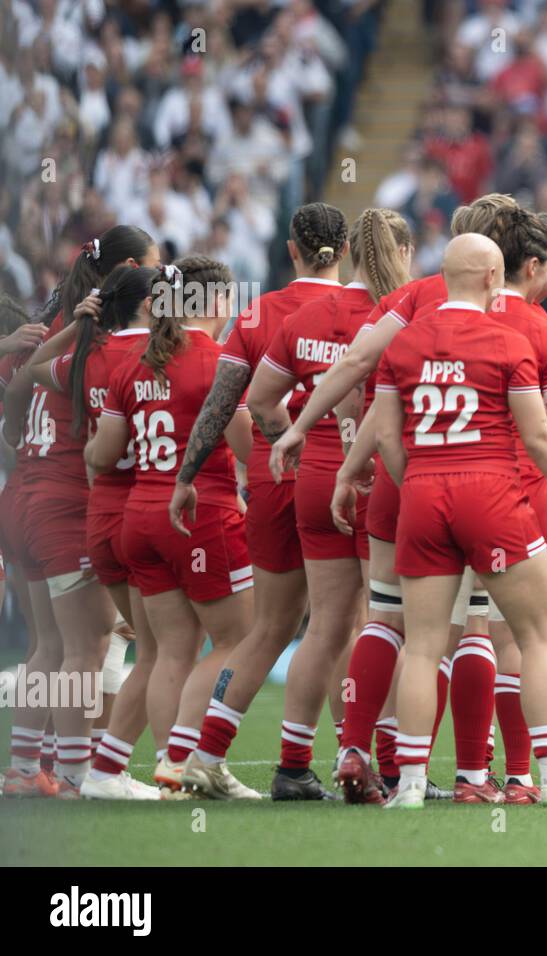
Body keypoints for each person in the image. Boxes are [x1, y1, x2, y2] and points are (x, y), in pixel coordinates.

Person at [371, 232, 547, 808]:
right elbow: (537, 436)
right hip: (490, 491)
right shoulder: (508, 340)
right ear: (491, 278)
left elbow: (386, 438)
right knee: (537, 635)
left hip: (423, 491)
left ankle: (407, 785)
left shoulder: (402, 345)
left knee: (425, 646)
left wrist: (419, 482)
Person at [184, 209, 416, 800]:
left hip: (300, 476)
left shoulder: (282, 313)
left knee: (306, 627)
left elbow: (248, 400)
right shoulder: (404, 312)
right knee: (380, 625)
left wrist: (290, 441)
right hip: (371, 478)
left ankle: (273, 763)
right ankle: (383, 767)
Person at [168, 202, 347, 799]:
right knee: (343, 628)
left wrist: (185, 476)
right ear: (343, 252)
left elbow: (221, 406)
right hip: (341, 477)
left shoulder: (257, 313)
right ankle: (345, 761)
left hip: (272, 480)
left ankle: (206, 755)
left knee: (270, 628)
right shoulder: (369, 312)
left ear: (290, 250)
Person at [86, 262, 255, 798]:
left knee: (167, 651)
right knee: (236, 638)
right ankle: (185, 758)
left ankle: (162, 769)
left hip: (140, 513)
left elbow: (105, 454)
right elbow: (248, 444)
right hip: (200, 515)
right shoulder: (215, 360)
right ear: (217, 301)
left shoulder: (136, 363)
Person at [2, 225, 160, 798]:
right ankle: (76, 774)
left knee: (49, 645)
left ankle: (26, 769)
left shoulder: (53, 333)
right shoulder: (103, 343)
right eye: (150, 270)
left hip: (22, 497)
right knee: (87, 646)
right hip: (67, 502)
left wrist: (16, 434)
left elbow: (17, 389)